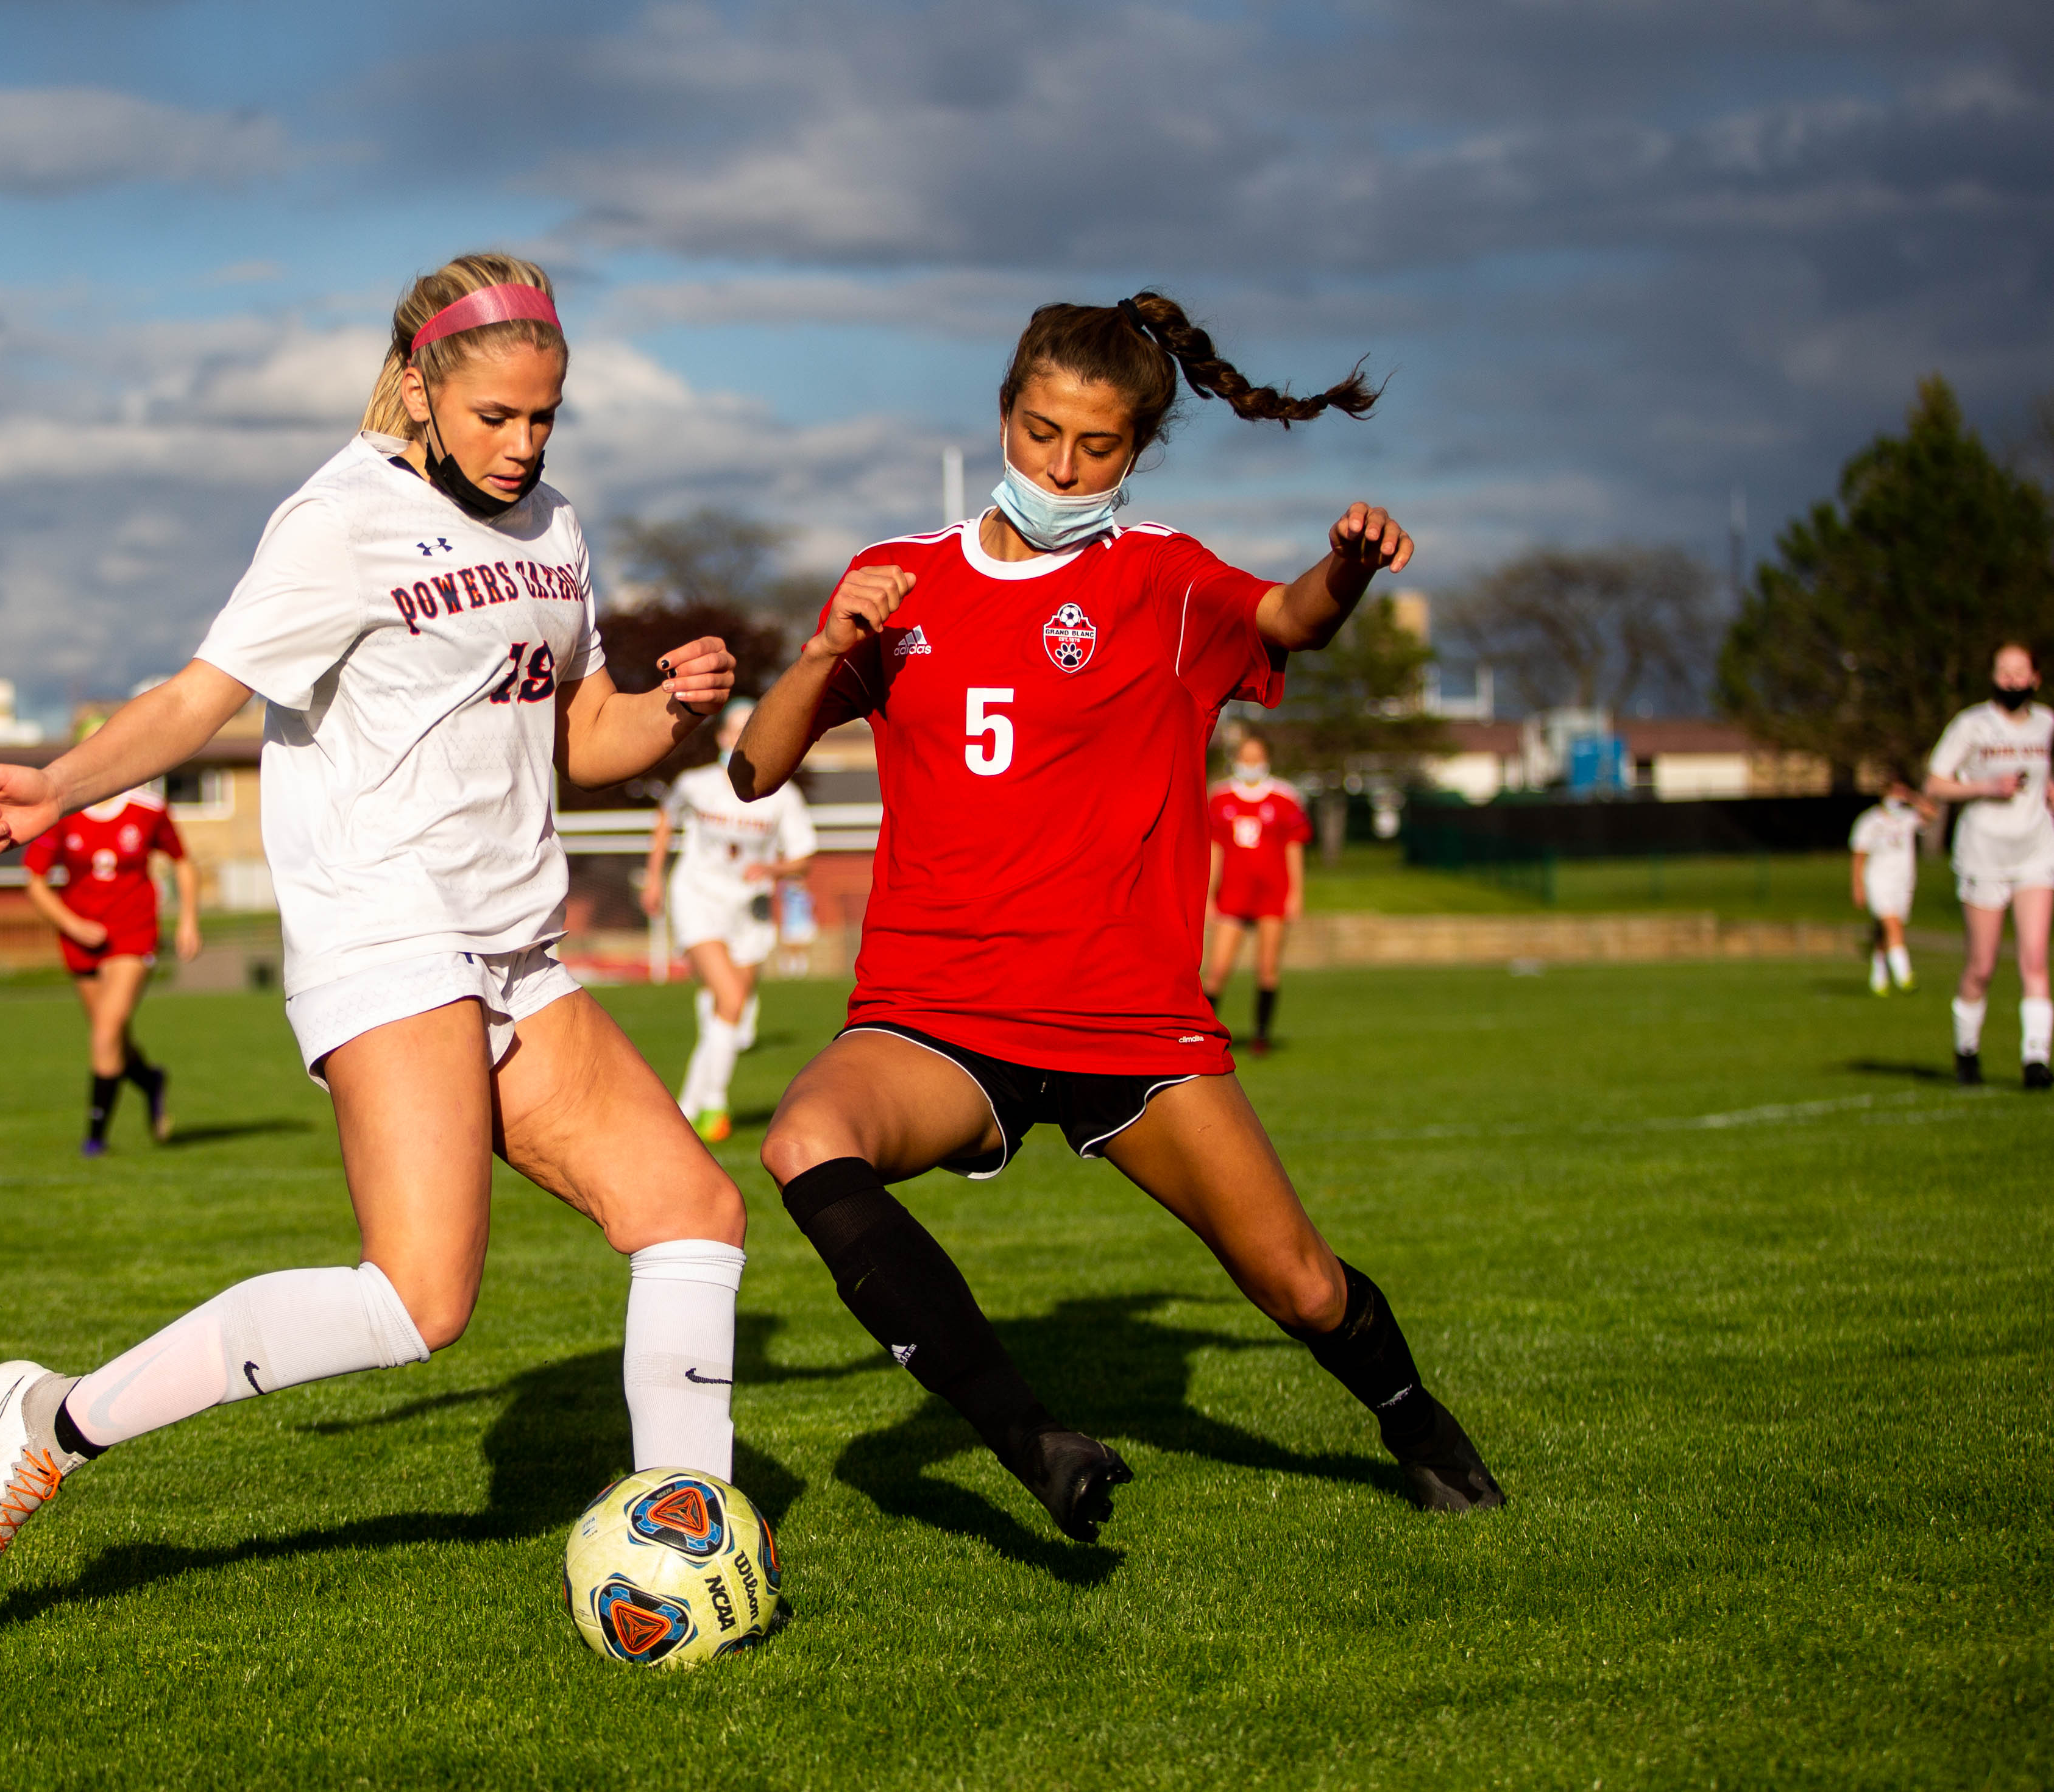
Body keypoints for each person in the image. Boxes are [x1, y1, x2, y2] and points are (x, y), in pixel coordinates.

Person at [0, 252, 750, 1615]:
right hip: (386, 926)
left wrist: (678, 707)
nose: (523, 444)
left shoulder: (557, 529)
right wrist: (59, 784)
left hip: (514, 946)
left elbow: (584, 738)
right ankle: (47, 1427)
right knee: (418, 1302)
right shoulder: (337, 519)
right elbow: (200, 700)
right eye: (495, 418)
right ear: (422, 390)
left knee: (690, 1212)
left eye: (546, 417)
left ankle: (684, 1553)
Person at [730, 291, 1504, 1544]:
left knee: (1301, 1288)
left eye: (1096, 448)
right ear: (1002, 415)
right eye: (1041, 434)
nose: (1062, 466)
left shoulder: (1162, 582)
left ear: (1135, 454)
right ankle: (1031, 1441)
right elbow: (752, 771)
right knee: (804, 1140)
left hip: (1126, 1021)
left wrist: (1348, 568)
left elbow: (1289, 618)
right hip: (940, 1014)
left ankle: (1414, 1423)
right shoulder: (902, 579)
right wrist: (825, 650)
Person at [641, 699, 818, 1142]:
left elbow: (803, 858)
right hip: (698, 898)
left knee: (725, 1009)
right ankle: (712, 1103)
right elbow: (666, 818)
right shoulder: (697, 784)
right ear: (722, 738)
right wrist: (655, 878)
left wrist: (773, 870)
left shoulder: (783, 796)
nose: (743, 738)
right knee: (732, 998)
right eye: (736, 730)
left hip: (751, 910)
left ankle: (688, 1107)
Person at [21, 751, 202, 1155]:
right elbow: (34, 881)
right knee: (112, 1039)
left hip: (132, 935)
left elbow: (183, 862)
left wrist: (189, 918)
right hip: (80, 939)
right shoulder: (63, 812)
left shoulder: (148, 808)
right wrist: (73, 925)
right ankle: (150, 1081)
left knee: (105, 1032)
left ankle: (94, 1141)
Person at [1924, 642, 2054, 1088]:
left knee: (2035, 958)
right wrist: (1985, 786)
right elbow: (1935, 782)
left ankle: (2035, 1060)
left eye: (2021, 672)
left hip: (2037, 851)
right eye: (2004, 671)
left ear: (2035, 678)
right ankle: (1967, 1051)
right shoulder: (1973, 724)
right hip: (1984, 852)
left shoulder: (2048, 724)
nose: (2012, 679)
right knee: (1981, 965)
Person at [1202, 734, 1312, 1054]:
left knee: (1267, 968)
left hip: (1272, 894)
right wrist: (1209, 895)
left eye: (1257, 757)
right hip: (1234, 895)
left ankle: (1261, 1036)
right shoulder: (1220, 798)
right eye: (1245, 757)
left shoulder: (1285, 797)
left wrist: (1296, 893)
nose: (1251, 764)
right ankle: (1206, 1039)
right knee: (1218, 969)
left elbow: (1294, 848)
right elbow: (1215, 850)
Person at [1847, 776, 1928, 996]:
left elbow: (1932, 813)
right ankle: (1905, 976)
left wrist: (1912, 796)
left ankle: (1879, 973)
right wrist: (1857, 886)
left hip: (1903, 880)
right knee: (1892, 925)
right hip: (1878, 879)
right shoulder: (1870, 822)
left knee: (1889, 930)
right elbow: (1859, 855)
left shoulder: (1909, 817)